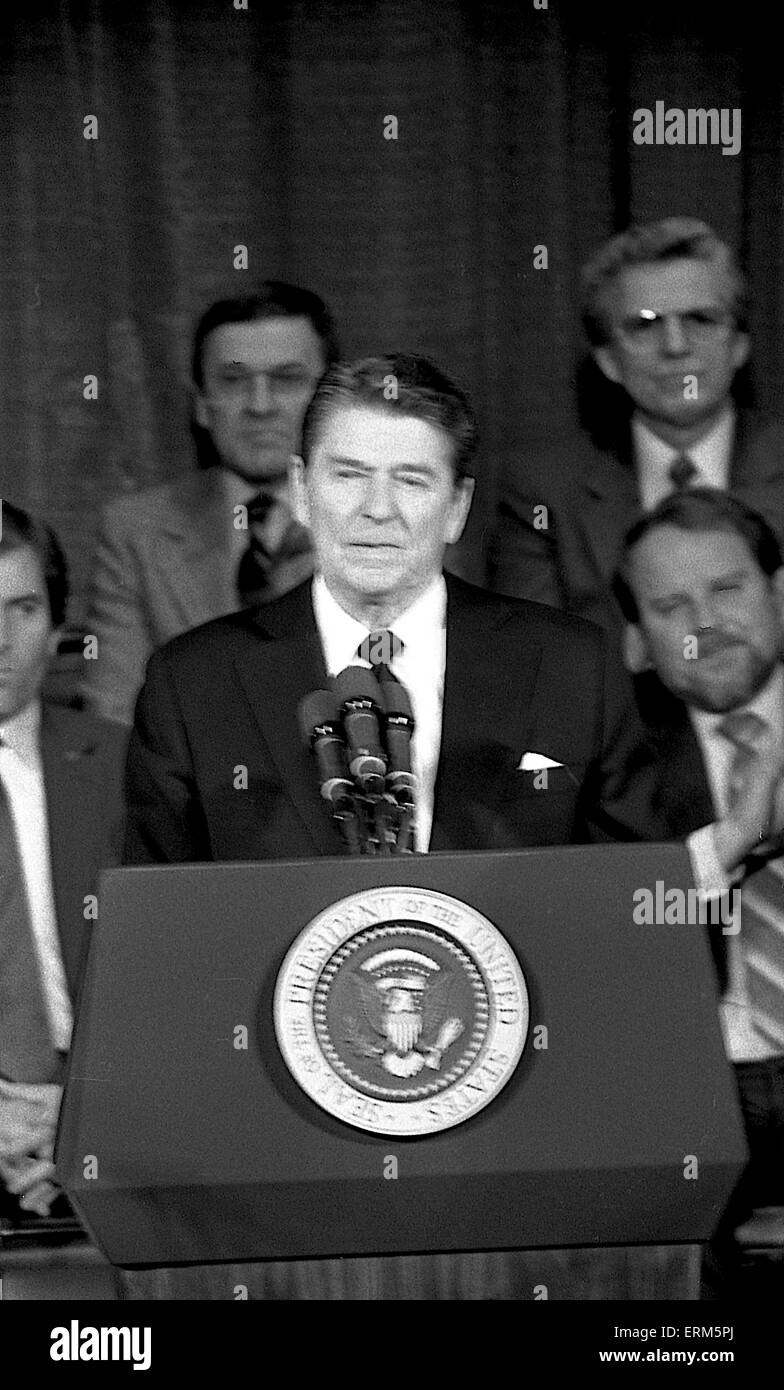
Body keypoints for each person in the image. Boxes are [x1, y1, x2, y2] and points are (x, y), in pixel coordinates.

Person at [122, 351, 681, 867]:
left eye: (411, 480)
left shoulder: (572, 666)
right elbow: (160, 924)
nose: (378, 510)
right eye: (349, 475)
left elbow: (630, 900)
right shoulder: (195, 683)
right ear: (300, 490)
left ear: (457, 507)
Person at [614, 487, 784, 1297]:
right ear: (639, 644)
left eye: (727, 590)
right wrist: (728, 845)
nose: (705, 623)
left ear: (779, 592)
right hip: (699, 1074)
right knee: (656, 1269)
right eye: (671, 606)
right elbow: (621, 923)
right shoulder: (615, 754)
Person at [490, 218, 784, 631]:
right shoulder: (544, 493)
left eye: (701, 320)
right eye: (645, 325)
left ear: (739, 346)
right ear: (609, 359)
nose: (676, 346)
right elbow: (537, 661)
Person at [83, 281, 339, 726]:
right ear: (202, 404)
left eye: (287, 379)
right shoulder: (137, 533)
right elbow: (114, 719)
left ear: (333, 398)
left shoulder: (382, 521)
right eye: (234, 381)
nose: (260, 405)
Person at [0, 502, 126, 1223]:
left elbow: (179, 985)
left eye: (21, 608)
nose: (0, 639)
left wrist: (87, 1109)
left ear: (56, 630)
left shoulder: (121, 764)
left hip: (108, 1126)